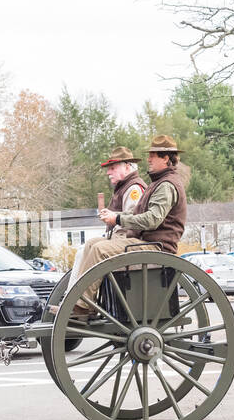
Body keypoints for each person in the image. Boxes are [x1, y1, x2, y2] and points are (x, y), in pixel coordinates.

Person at [56, 134, 187, 319]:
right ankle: (80, 302)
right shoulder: (158, 183)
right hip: (146, 242)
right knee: (93, 244)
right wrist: (116, 217)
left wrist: (117, 219)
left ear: (165, 158)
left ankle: (84, 306)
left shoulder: (166, 185)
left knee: (100, 250)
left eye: (153, 155)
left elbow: (152, 220)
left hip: (157, 246)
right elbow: (137, 214)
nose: (148, 159)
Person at [99, 146, 146, 237]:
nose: (108, 172)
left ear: (127, 168)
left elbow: (131, 224)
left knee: (93, 247)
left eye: (112, 168)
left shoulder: (134, 189)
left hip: (126, 239)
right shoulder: (124, 187)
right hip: (120, 237)